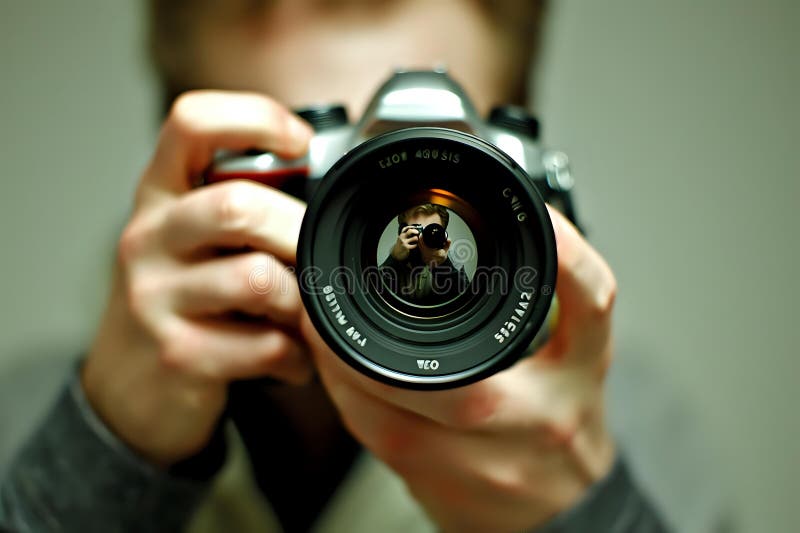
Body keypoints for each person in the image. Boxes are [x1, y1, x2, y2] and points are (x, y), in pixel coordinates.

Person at [0, 1, 731, 532]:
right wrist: (103, 460)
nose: (379, 235)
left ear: (519, 173)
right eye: (322, 180)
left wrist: (584, 515)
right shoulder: (26, 419)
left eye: (435, 165)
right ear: (197, 167)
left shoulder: (634, 428)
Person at [380, 204, 469, 304]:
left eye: (432, 231)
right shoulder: (397, 254)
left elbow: (467, 303)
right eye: (418, 230)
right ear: (402, 231)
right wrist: (394, 260)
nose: (423, 237)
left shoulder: (452, 258)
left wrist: (444, 265)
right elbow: (374, 295)